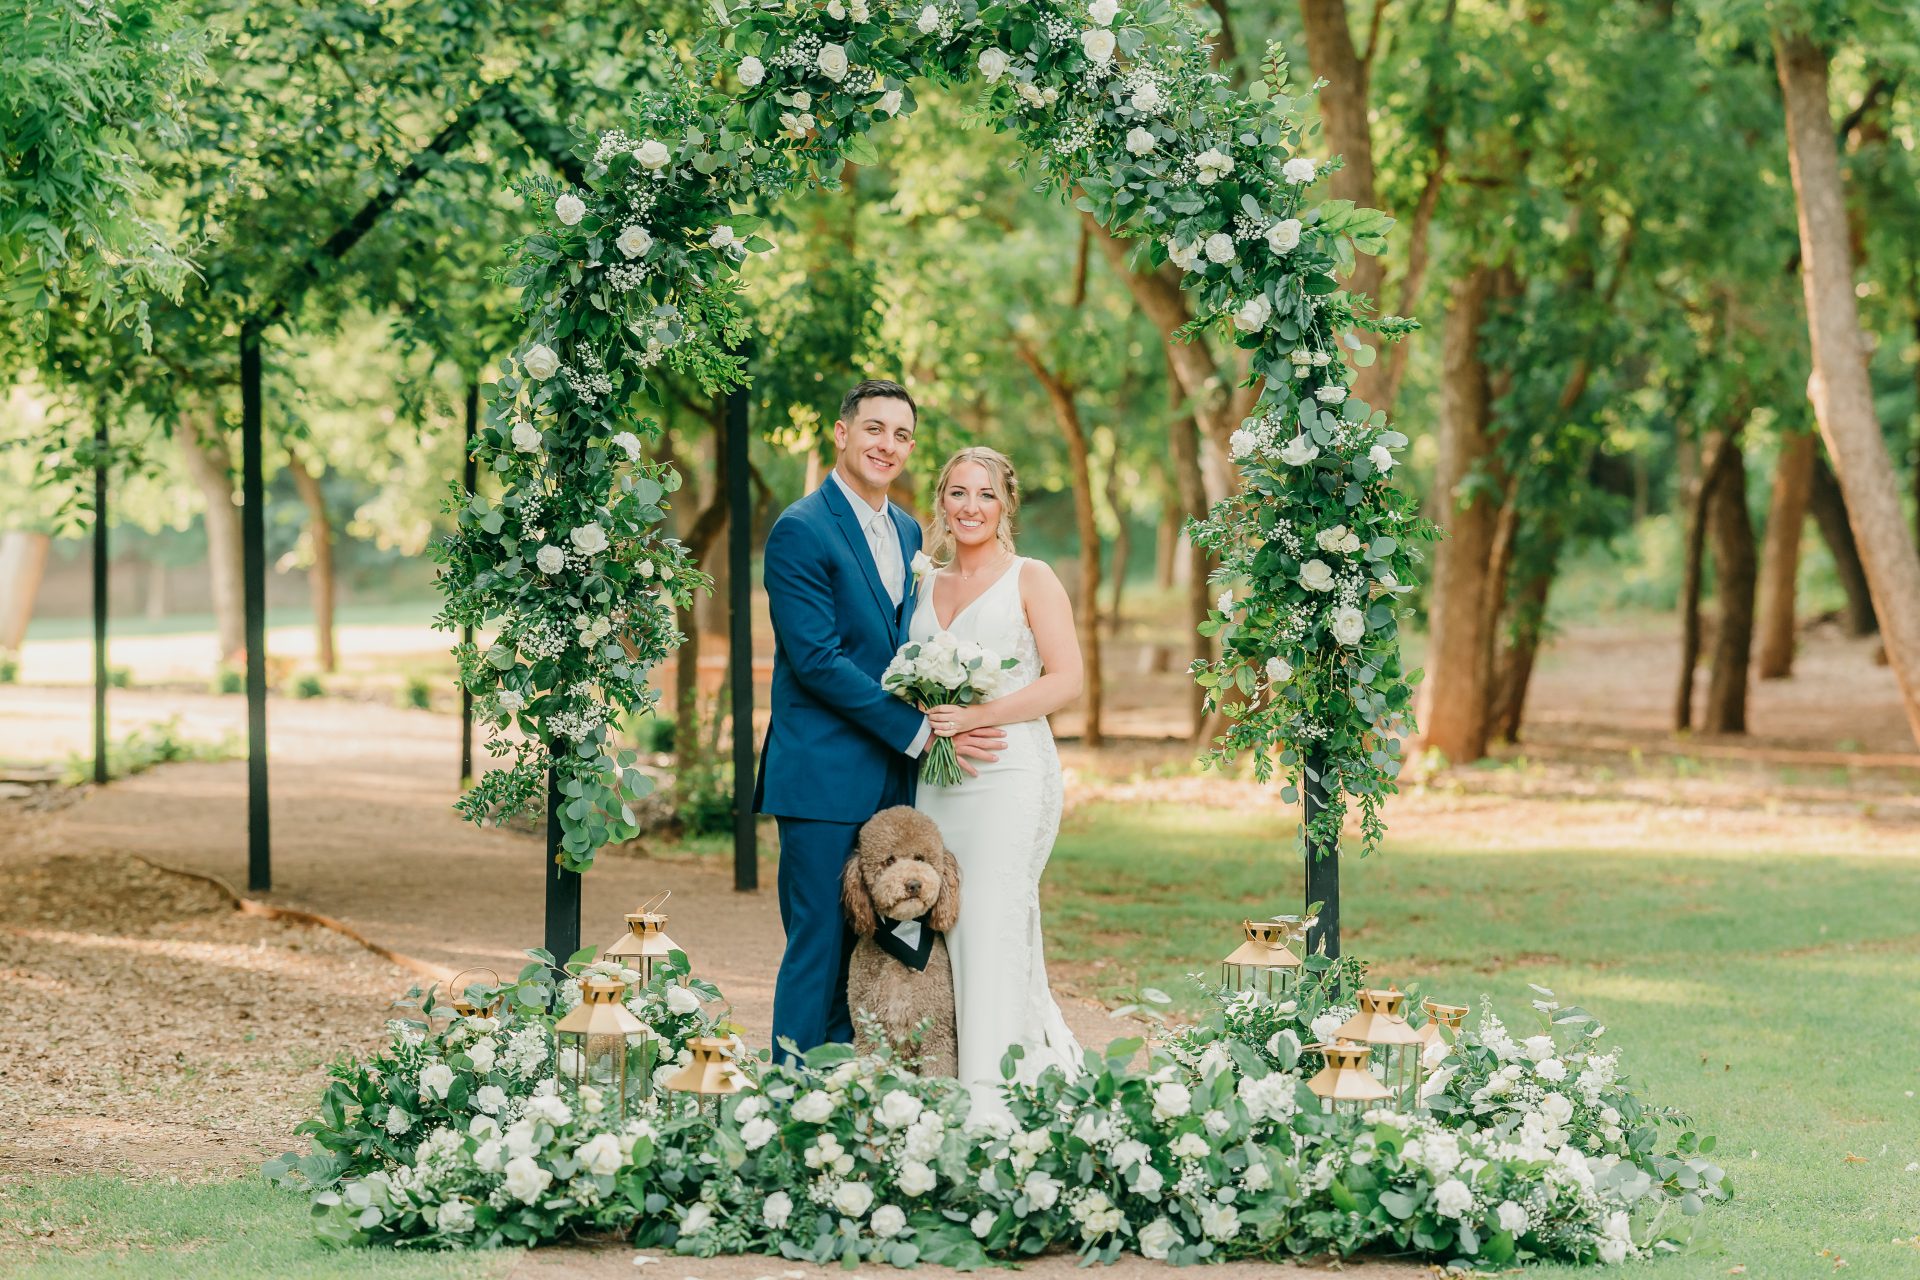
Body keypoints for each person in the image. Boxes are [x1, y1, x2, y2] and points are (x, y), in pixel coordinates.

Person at [754, 380, 1004, 1061]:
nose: (885, 445)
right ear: (841, 434)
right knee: (819, 948)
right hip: (823, 777)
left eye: (900, 435)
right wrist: (917, 731)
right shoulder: (800, 529)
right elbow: (817, 659)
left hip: (895, 783)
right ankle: (788, 1100)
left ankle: (856, 1098)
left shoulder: (904, 530)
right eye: (873, 429)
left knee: (881, 949)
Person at [913, 445, 1083, 1117]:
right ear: (942, 501)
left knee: (990, 919)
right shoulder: (923, 582)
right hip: (936, 777)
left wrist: (977, 714)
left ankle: (995, 1101)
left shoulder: (1031, 577)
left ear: (1006, 503)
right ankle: (945, 1086)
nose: (971, 507)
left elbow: (1067, 680)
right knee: (943, 925)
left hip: (1009, 770)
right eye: (958, 493)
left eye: (985, 494)